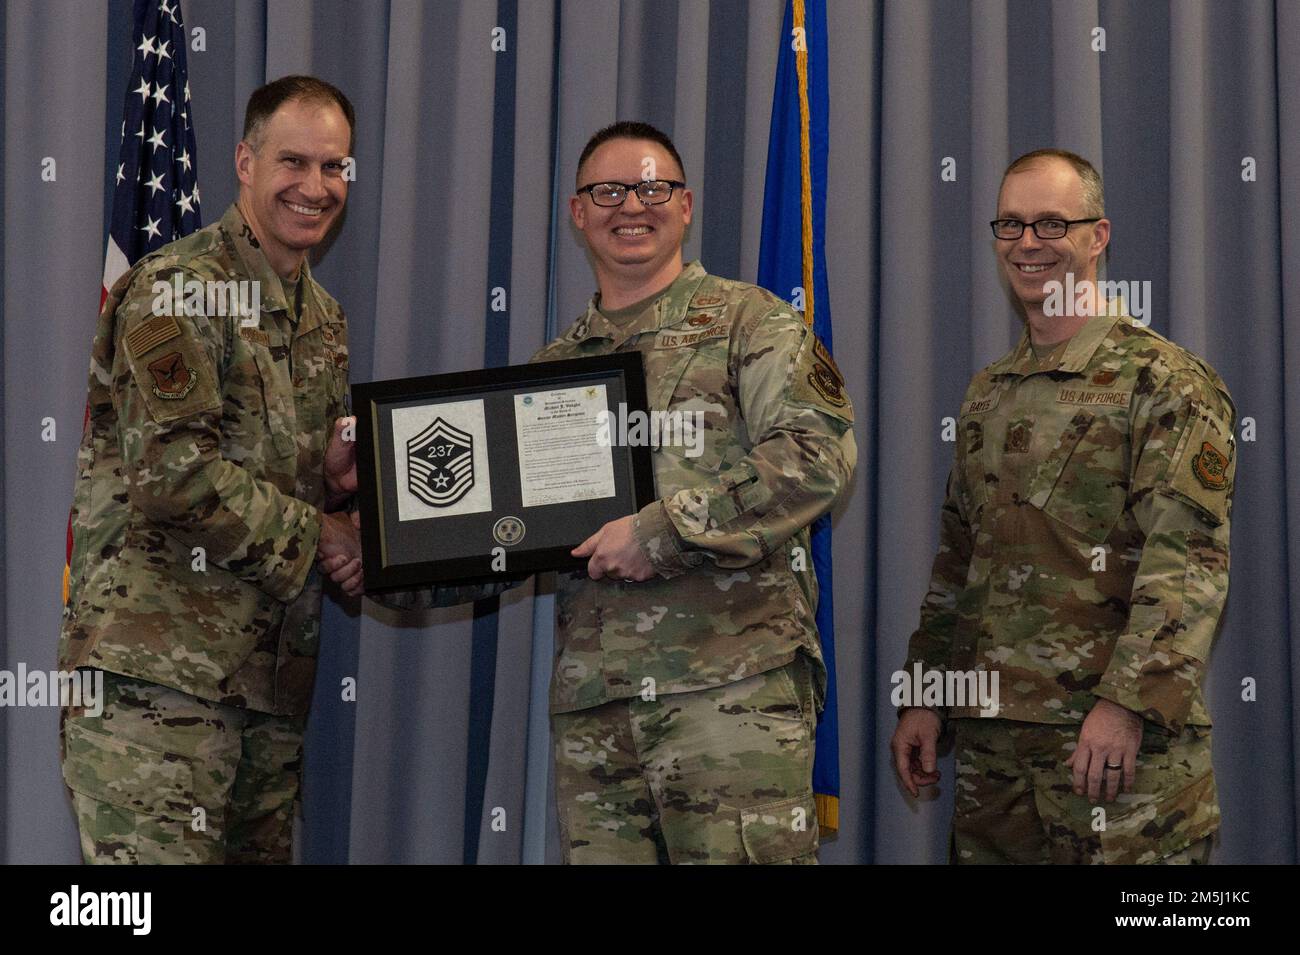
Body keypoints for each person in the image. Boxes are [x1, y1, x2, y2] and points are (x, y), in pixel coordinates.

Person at [328, 121, 856, 864]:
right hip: (595, 714)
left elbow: (817, 455)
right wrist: (374, 538)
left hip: (731, 693)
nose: (630, 205)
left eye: (652, 188)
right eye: (607, 191)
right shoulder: (555, 369)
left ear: (685, 205)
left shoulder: (752, 321)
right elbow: (499, 539)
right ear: (578, 213)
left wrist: (663, 531)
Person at [890, 149, 1235, 864]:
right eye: (1010, 225)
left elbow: (1187, 566)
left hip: (1114, 760)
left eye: (1052, 223)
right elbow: (959, 562)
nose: (1027, 244)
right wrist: (925, 693)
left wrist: (1127, 705)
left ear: (1097, 236)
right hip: (994, 766)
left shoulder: (1165, 381)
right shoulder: (989, 392)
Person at [59, 75, 365, 864]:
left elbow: (264, 468)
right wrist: (325, 534)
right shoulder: (175, 289)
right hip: (155, 687)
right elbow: (175, 477)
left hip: (267, 692)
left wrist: (339, 486)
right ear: (244, 162)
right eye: (293, 161)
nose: (315, 186)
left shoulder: (322, 317)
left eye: (334, 167)